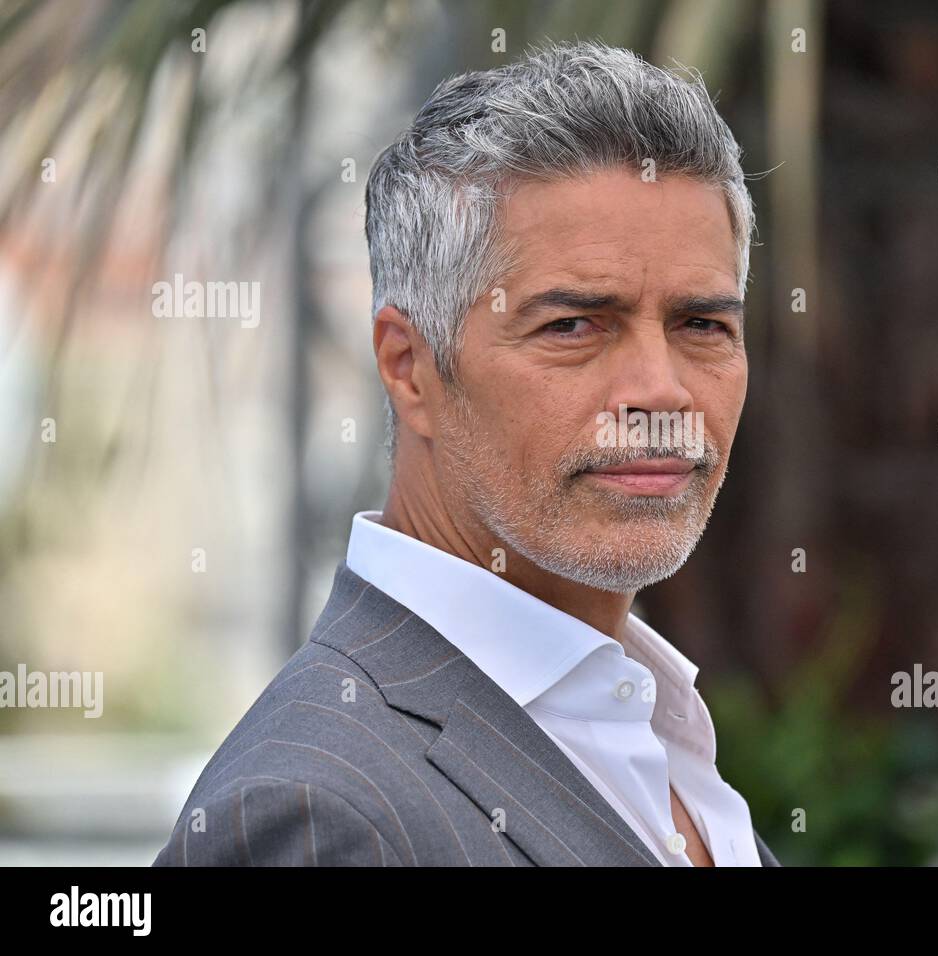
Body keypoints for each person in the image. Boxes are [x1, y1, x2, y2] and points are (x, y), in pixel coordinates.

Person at [154, 39, 778, 867]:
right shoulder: (318, 813)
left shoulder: (653, 729)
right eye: (574, 326)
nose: (661, 393)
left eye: (702, 324)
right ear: (409, 367)